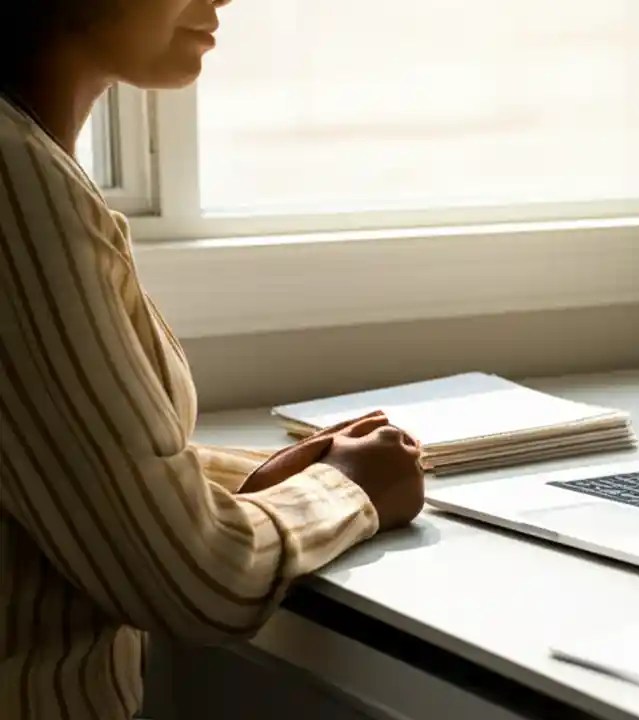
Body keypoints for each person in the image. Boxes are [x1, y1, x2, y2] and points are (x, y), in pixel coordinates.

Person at [0, 2, 428, 718]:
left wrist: (294, 470)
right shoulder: (15, 185)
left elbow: (63, 465)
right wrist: (349, 493)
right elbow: (195, 580)